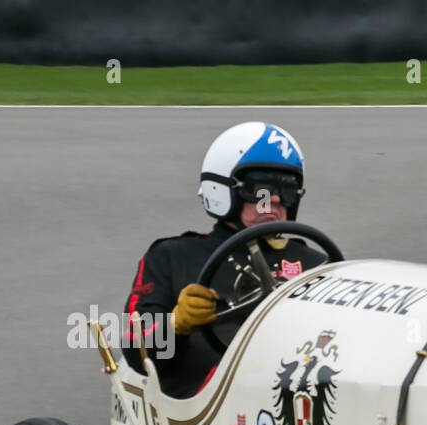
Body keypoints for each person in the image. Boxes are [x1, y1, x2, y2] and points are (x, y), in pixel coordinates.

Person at [123, 121, 327, 397]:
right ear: (223, 189)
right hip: (206, 411)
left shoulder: (318, 264)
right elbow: (135, 350)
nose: (276, 199)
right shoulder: (172, 257)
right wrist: (175, 325)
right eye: (261, 189)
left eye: (287, 189)